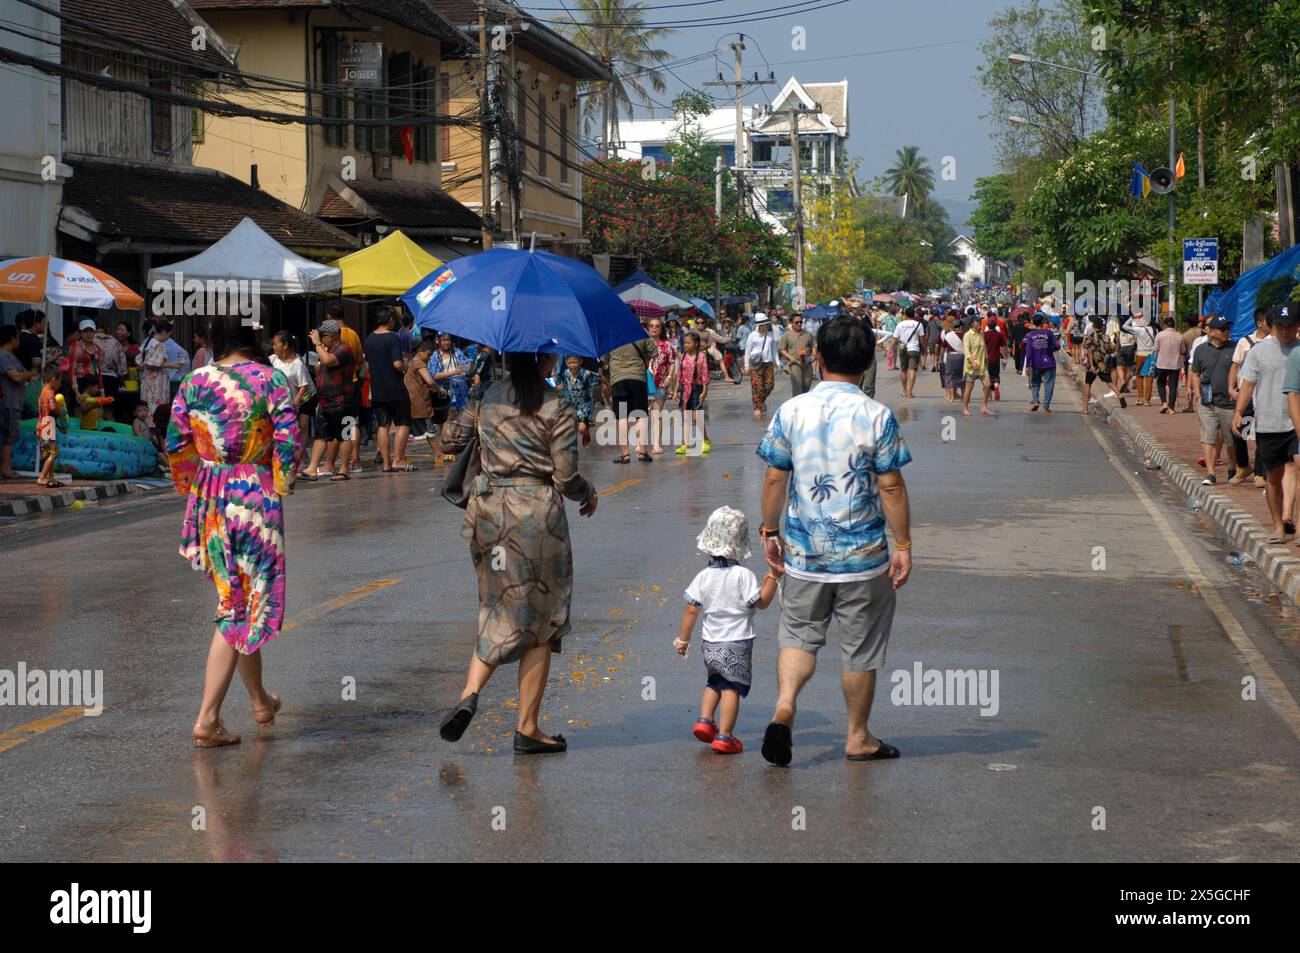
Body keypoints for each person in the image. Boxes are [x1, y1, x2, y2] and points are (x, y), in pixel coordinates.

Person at [756, 316, 913, 766]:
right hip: (864, 560)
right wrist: (902, 545)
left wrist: (770, 533)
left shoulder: (791, 412)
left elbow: (773, 478)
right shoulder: (876, 416)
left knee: (799, 637)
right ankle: (858, 737)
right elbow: (892, 488)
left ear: (818, 358)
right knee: (860, 649)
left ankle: (785, 707)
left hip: (804, 556)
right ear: (866, 364)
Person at [437, 350, 599, 754]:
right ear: (547, 362)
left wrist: (474, 410)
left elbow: (449, 440)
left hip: (489, 513)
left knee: (498, 606)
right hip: (537, 518)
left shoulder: (487, 395)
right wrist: (588, 493)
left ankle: (470, 693)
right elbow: (564, 476)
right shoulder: (558, 405)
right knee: (541, 622)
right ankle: (527, 727)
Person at [166, 314, 298, 747]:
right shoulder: (272, 380)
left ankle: (260, 702)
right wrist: (281, 484)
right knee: (237, 604)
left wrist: (193, 487)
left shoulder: (193, 381)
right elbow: (289, 443)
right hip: (254, 496)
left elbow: (176, 443)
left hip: (209, 494)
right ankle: (206, 720)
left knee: (240, 596)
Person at [673, 506, 782, 755]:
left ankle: (704, 720)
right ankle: (724, 736)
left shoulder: (703, 576)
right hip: (737, 642)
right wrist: (773, 577)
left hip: (710, 642)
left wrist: (682, 639)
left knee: (714, 682)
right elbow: (761, 602)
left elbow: (692, 610)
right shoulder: (743, 575)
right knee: (731, 688)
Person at [1236, 304, 1300, 543]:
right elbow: (1248, 384)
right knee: (1273, 478)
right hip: (1269, 424)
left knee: (1298, 468)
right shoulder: (1259, 352)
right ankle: (1278, 526)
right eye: (1281, 326)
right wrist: (1239, 410)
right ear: (1273, 326)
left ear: (1297, 326)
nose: (1285, 331)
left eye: (1290, 326)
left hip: (1296, 424)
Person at [300, 319, 356, 482]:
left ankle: (344, 468)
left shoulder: (344, 349)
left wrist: (317, 345)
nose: (320, 340)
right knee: (321, 435)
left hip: (342, 401)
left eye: (322, 336)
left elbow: (328, 361)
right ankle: (312, 468)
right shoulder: (329, 349)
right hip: (326, 401)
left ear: (330, 337)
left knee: (344, 435)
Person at [364, 306, 414, 473]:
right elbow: (397, 364)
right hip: (396, 389)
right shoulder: (393, 338)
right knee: (403, 423)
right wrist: (405, 366)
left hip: (378, 389)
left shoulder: (369, 339)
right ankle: (397, 460)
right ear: (391, 319)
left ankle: (386, 463)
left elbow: (367, 366)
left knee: (382, 425)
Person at [1192, 317, 1239, 486]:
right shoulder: (1200, 350)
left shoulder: (1235, 348)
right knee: (1209, 437)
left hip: (1228, 404)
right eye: (1222, 329)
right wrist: (1197, 394)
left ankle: (1232, 468)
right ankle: (1211, 473)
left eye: (1227, 328)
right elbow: (1196, 373)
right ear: (1211, 331)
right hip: (1207, 403)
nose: (1226, 331)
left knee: (1231, 440)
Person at [1230, 306, 1270, 487]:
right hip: (1246, 393)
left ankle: (1260, 473)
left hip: (1264, 394)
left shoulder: (1274, 342)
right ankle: (1244, 466)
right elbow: (1235, 365)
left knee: (1262, 433)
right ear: (1260, 323)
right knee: (1240, 431)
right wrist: (1231, 387)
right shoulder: (1244, 342)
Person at [604, 327, 654, 463]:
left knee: (622, 416)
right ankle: (642, 451)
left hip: (618, 380)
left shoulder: (611, 333)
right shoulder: (640, 332)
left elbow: (604, 359)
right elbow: (654, 352)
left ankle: (625, 454)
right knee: (641, 415)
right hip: (638, 378)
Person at [271, 331, 316, 477]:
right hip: (285, 398)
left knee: (302, 427)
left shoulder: (298, 364)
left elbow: (304, 386)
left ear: (284, 346)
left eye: (276, 344)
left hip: (305, 396)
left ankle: (301, 457)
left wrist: (296, 402)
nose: (274, 347)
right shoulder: (273, 360)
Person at [0, 325, 35, 478]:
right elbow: (16, 376)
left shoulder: (11, 356)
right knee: (10, 433)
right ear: (12, 338)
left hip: (15, 401)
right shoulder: (2, 356)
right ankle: (5, 467)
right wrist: (29, 374)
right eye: (17, 336)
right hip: (8, 401)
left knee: (11, 433)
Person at [430, 333, 472, 462]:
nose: (446, 343)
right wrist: (454, 372)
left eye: (448, 340)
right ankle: (446, 448)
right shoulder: (435, 356)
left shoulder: (457, 352)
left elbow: (468, 370)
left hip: (461, 391)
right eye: (444, 340)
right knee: (448, 418)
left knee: (462, 417)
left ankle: (459, 444)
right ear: (437, 341)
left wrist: (470, 364)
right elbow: (433, 376)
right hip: (446, 392)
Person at [405, 338, 448, 457]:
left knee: (406, 430)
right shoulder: (419, 363)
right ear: (420, 351)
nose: (429, 357)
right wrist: (439, 390)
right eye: (428, 354)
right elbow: (429, 380)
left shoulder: (412, 361)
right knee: (430, 430)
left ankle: (399, 455)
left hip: (412, 401)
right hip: (420, 403)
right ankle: (438, 454)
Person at [673, 330, 711, 453]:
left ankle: (705, 440)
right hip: (685, 389)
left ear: (696, 344)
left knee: (697, 417)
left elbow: (705, 375)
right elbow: (679, 375)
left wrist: (704, 392)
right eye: (685, 343)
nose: (686, 345)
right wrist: (675, 391)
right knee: (686, 417)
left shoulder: (701, 356)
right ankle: (685, 444)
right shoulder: (683, 356)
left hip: (697, 388)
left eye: (689, 343)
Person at [646, 316, 677, 454]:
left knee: (656, 414)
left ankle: (656, 444)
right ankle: (641, 443)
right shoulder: (642, 344)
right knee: (641, 414)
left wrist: (669, 377)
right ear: (647, 328)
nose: (654, 328)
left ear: (661, 329)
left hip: (659, 384)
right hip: (643, 383)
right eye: (651, 326)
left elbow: (672, 362)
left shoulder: (667, 346)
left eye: (657, 326)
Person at [140, 320, 181, 415]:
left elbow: (142, 362)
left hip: (147, 380)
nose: (168, 338)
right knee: (156, 409)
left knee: (147, 407)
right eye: (168, 335)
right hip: (156, 382)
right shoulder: (158, 345)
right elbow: (152, 363)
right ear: (163, 332)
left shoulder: (148, 342)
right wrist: (171, 365)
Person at [556, 355, 598, 446]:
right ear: (566, 363)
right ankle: (574, 451)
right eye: (570, 363)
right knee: (570, 429)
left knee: (581, 428)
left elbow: (600, 378)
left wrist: (607, 386)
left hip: (584, 405)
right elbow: (560, 384)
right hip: (571, 404)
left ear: (581, 362)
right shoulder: (565, 373)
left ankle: (585, 432)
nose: (572, 365)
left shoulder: (586, 374)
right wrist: (557, 388)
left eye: (575, 363)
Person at [743, 313, 779, 417]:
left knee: (769, 385)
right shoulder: (752, 336)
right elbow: (747, 351)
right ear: (759, 325)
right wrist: (746, 366)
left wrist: (777, 362)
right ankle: (757, 407)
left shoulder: (771, 335)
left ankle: (761, 401)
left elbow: (774, 350)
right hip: (756, 364)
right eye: (764, 324)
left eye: (767, 324)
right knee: (757, 386)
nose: (766, 326)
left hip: (768, 363)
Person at [1023, 314, 1061, 413]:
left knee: (1035, 383)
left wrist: (1028, 365)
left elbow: (1028, 351)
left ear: (1033, 323)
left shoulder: (1030, 335)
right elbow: (1057, 345)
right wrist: (1049, 349)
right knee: (1049, 384)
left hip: (1035, 363)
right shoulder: (1048, 333)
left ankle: (1036, 401)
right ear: (1042, 322)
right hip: (1049, 362)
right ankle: (1046, 405)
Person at [36, 366, 66, 487]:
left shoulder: (43, 391)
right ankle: (42, 477)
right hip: (48, 427)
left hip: (42, 425)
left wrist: (58, 426)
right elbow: (53, 409)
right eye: (59, 381)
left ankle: (51, 478)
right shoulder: (49, 393)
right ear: (54, 379)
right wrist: (61, 415)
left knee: (48, 454)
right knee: (54, 453)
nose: (60, 384)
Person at [1082, 315, 1117, 413]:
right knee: (1109, 382)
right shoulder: (1106, 337)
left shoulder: (1091, 337)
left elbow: (1088, 350)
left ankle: (1085, 408)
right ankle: (1119, 394)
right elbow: (1111, 348)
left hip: (1093, 364)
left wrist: (1092, 365)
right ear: (1102, 326)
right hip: (1104, 363)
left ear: (1093, 326)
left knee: (1088, 384)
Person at [1154, 316, 1187, 413]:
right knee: (1173, 386)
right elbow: (1183, 350)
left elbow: (1156, 349)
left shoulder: (1160, 335)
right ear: (1174, 325)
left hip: (1161, 364)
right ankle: (1171, 408)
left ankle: (1164, 402)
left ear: (1164, 325)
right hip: (1175, 364)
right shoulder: (1179, 336)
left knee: (1161, 383)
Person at [962, 318, 994, 417]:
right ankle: (965, 408)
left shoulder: (981, 334)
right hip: (971, 367)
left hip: (982, 367)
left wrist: (986, 361)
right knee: (969, 388)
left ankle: (984, 407)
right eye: (977, 322)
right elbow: (966, 351)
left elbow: (984, 350)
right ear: (972, 324)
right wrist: (972, 362)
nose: (980, 323)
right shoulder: (967, 335)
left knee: (988, 385)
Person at [779, 313, 816, 398]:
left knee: (807, 385)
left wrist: (814, 355)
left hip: (807, 363)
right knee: (797, 387)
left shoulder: (807, 334)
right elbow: (782, 349)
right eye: (796, 322)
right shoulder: (787, 335)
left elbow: (813, 345)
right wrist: (790, 358)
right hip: (795, 364)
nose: (799, 324)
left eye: (801, 322)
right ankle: (796, 406)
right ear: (791, 323)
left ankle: (802, 401)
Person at [892, 307, 926, 398]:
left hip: (903, 349)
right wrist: (925, 348)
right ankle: (910, 392)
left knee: (903, 370)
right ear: (914, 314)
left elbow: (895, 338)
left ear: (905, 315)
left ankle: (904, 390)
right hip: (914, 349)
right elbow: (922, 339)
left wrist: (891, 349)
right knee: (912, 370)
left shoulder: (900, 324)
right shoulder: (919, 324)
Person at [939, 317, 965, 402]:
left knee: (949, 376)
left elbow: (943, 348)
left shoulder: (949, 335)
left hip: (950, 357)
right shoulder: (965, 335)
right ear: (961, 326)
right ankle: (964, 397)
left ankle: (951, 397)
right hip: (962, 357)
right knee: (962, 376)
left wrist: (941, 358)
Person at [983, 309, 1006, 402]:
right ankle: (996, 385)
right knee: (995, 375)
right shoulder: (999, 335)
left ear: (987, 325)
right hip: (996, 358)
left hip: (986, 359)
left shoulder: (984, 335)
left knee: (987, 377)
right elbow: (1003, 347)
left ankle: (988, 396)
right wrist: (1005, 358)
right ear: (996, 325)